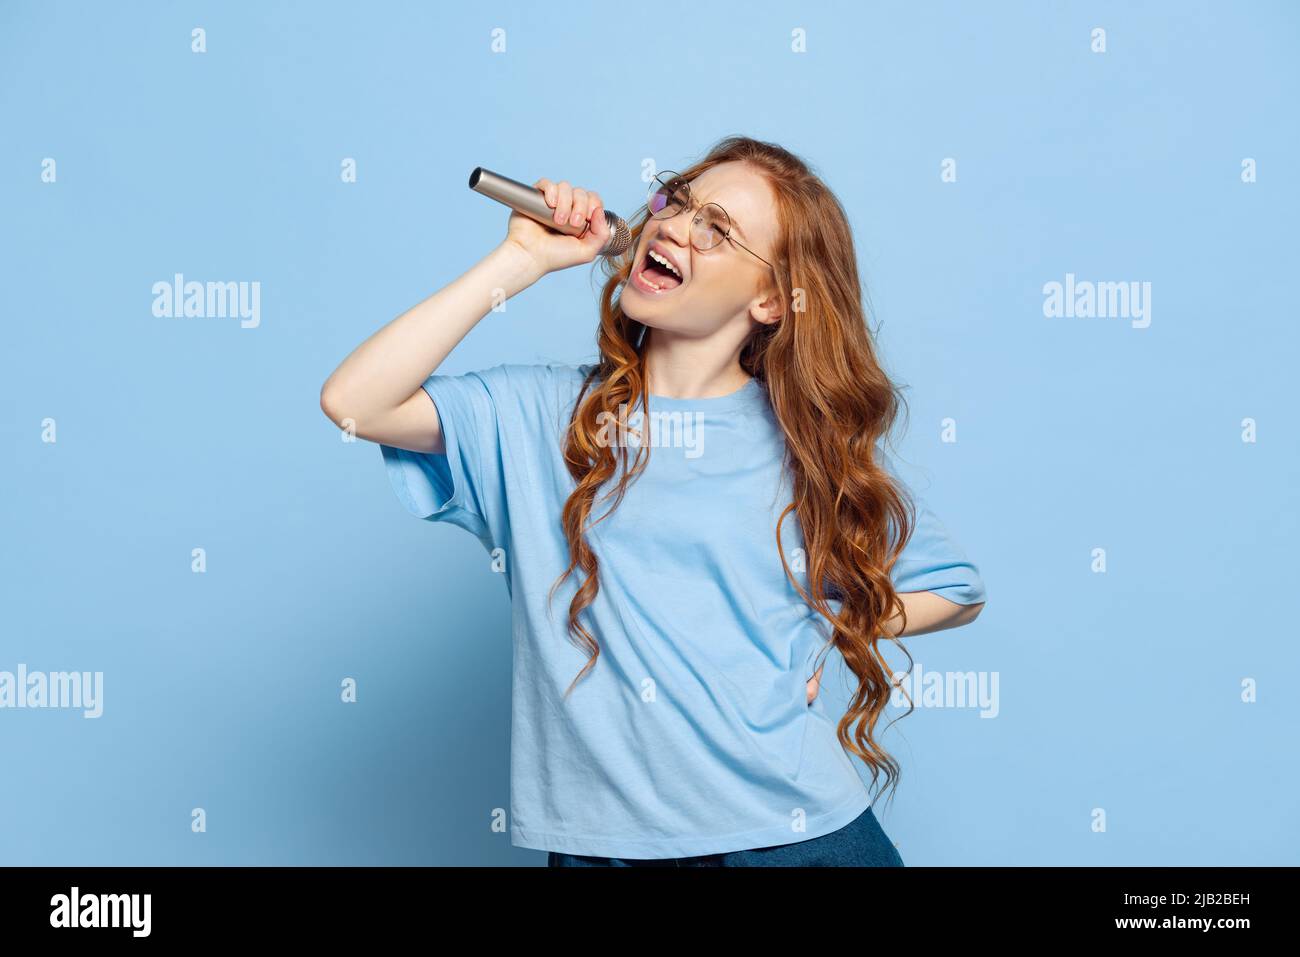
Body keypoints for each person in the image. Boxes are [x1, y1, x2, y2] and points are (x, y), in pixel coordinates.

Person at [320, 135, 987, 867]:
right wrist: (522, 261)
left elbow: (957, 589)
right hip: (600, 851)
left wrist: (822, 622)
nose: (673, 226)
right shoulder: (541, 416)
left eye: (718, 229)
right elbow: (355, 400)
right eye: (679, 201)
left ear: (770, 299)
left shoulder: (801, 448)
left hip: (793, 841)